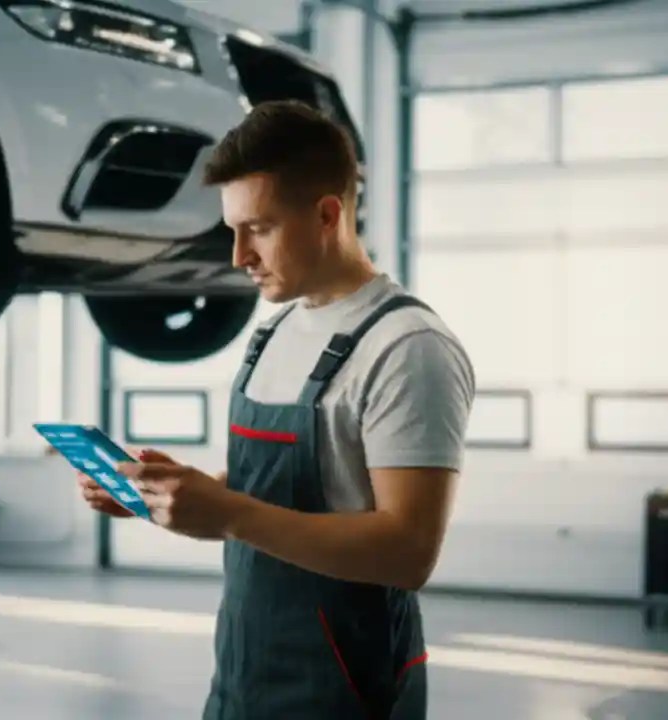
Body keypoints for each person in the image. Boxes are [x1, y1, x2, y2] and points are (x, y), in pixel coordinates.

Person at [77, 100, 475, 720]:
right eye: (232, 229)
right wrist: (174, 492)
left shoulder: (406, 347)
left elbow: (408, 550)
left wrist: (228, 513)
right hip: (241, 680)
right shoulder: (275, 332)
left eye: (258, 228)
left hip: (345, 694)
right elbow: (277, 491)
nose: (239, 255)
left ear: (327, 215)